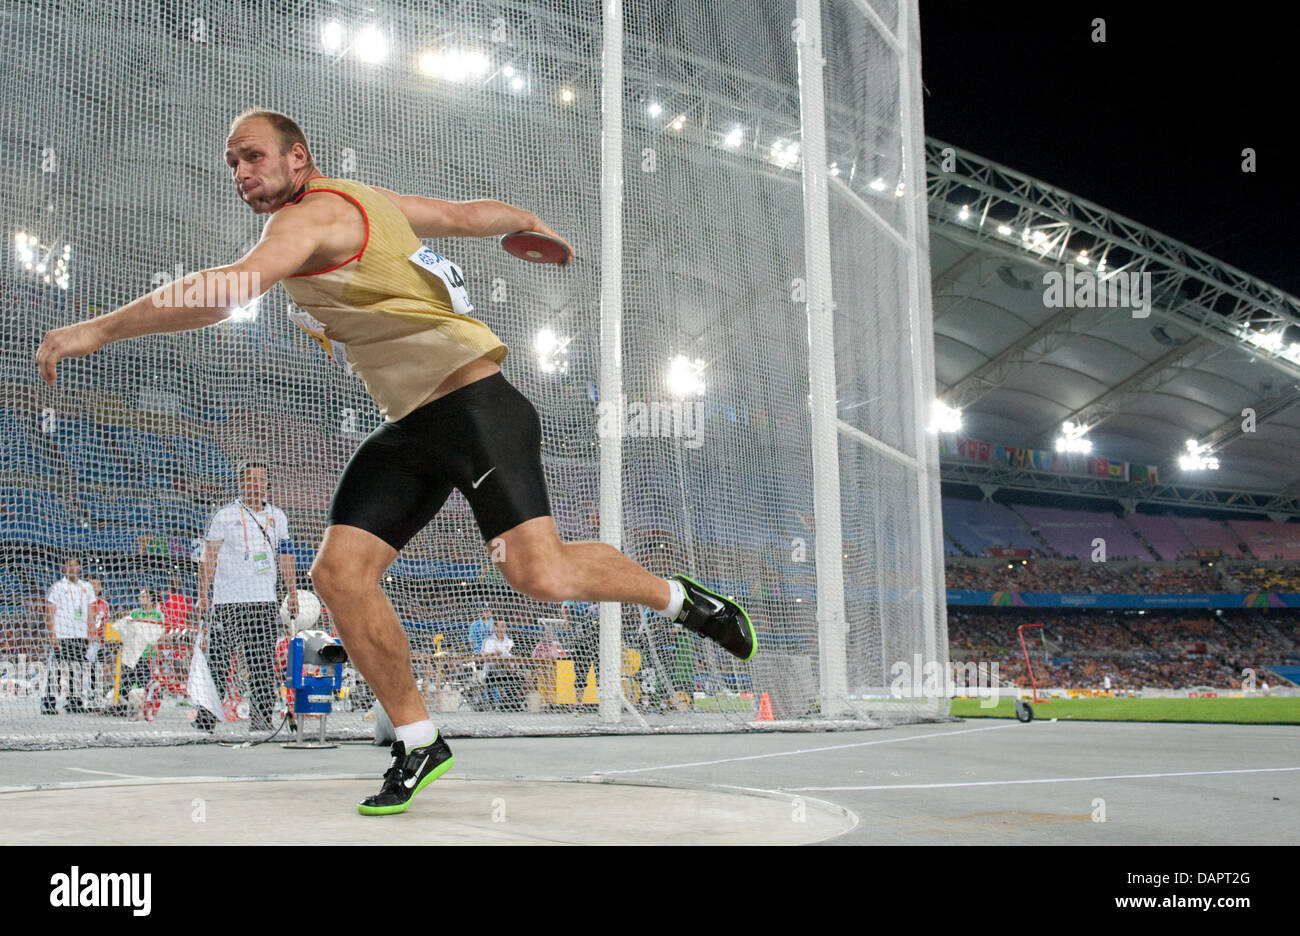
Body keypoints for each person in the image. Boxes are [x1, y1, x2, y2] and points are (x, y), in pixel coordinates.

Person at [35, 108, 756, 815]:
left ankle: (681, 599)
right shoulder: (370, 200)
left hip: (476, 410)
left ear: (298, 156)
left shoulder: (305, 219)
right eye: (232, 162)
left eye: (252, 155)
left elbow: (227, 291)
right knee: (339, 575)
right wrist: (526, 221)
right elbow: (465, 214)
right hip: (411, 426)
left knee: (541, 574)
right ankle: (417, 739)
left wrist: (98, 328)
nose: (241, 172)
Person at [192, 460, 298, 733]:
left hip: (263, 601)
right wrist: (202, 596)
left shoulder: (278, 516)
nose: (256, 484)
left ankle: (261, 719)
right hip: (227, 601)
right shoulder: (224, 515)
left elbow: (286, 556)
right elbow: (209, 558)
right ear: (240, 483)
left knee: (261, 661)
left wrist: (292, 592)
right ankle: (206, 719)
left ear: (268, 485)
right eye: (250, 479)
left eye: (261, 480)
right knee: (218, 660)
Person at [42, 558, 96, 714]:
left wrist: (91, 631)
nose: (72, 568)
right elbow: (50, 610)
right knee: (56, 669)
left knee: (77, 669)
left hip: (80, 634)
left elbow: (91, 610)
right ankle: (48, 702)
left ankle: (74, 701)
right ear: (64, 569)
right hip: (62, 634)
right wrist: (52, 634)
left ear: (80, 568)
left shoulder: (87, 587)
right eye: (69, 565)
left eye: (75, 565)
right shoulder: (58, 587)